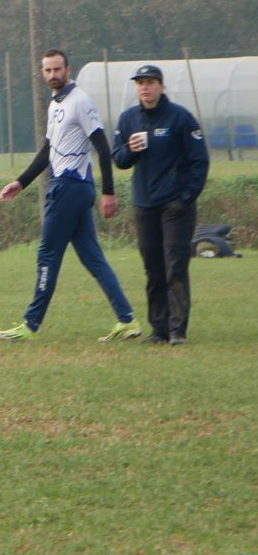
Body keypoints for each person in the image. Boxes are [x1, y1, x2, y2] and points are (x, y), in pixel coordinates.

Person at [0, 49, 140, 344]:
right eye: (47, 70)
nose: (52, 75)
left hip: (70, 187)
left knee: (47, 254)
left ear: (68, 70)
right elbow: (48, 150)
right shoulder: (56, 104)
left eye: (57, 69)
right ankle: (127, 321)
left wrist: (109, 192)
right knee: (93, 258)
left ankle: (30, 324)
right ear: (42, 73)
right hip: (71, 188)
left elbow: (101, 146)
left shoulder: (80, 102)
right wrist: (21, 183)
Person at [112, 65, 210, 346]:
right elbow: (118, 159)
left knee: (175, 265)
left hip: (175, 205)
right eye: (140, 83)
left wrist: (186, 197)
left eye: (151, 82)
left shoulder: (180, 118)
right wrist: (129, 149)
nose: (145, 87)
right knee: (153, 268)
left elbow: (199, 161)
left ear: (161, 86)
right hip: (144, 204)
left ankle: (177, 329)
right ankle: (159, 330)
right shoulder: (129, 118)